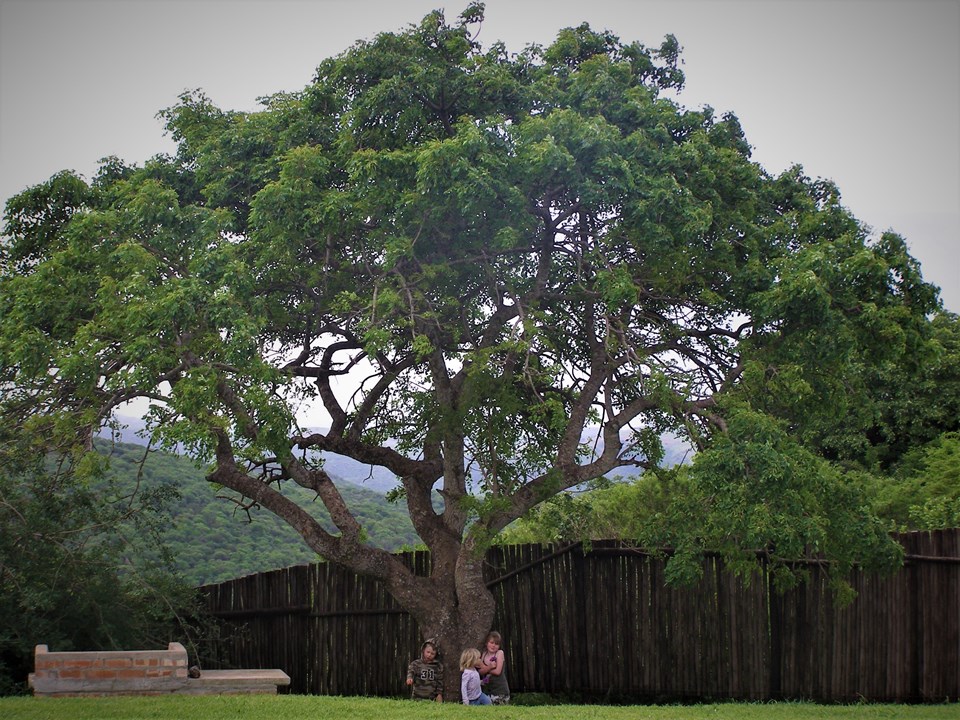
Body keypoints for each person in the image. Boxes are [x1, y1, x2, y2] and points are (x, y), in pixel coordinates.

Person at [478, 630, 510, 704]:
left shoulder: (499, 653)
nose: (493, 645)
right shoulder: (484, 654)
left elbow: (497, 672)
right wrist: (489, 667)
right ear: (486, 643)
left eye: (496, 644)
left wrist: (485, 668)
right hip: (487, 690)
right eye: (491, 643)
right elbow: (480, 671)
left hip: (500, 690)